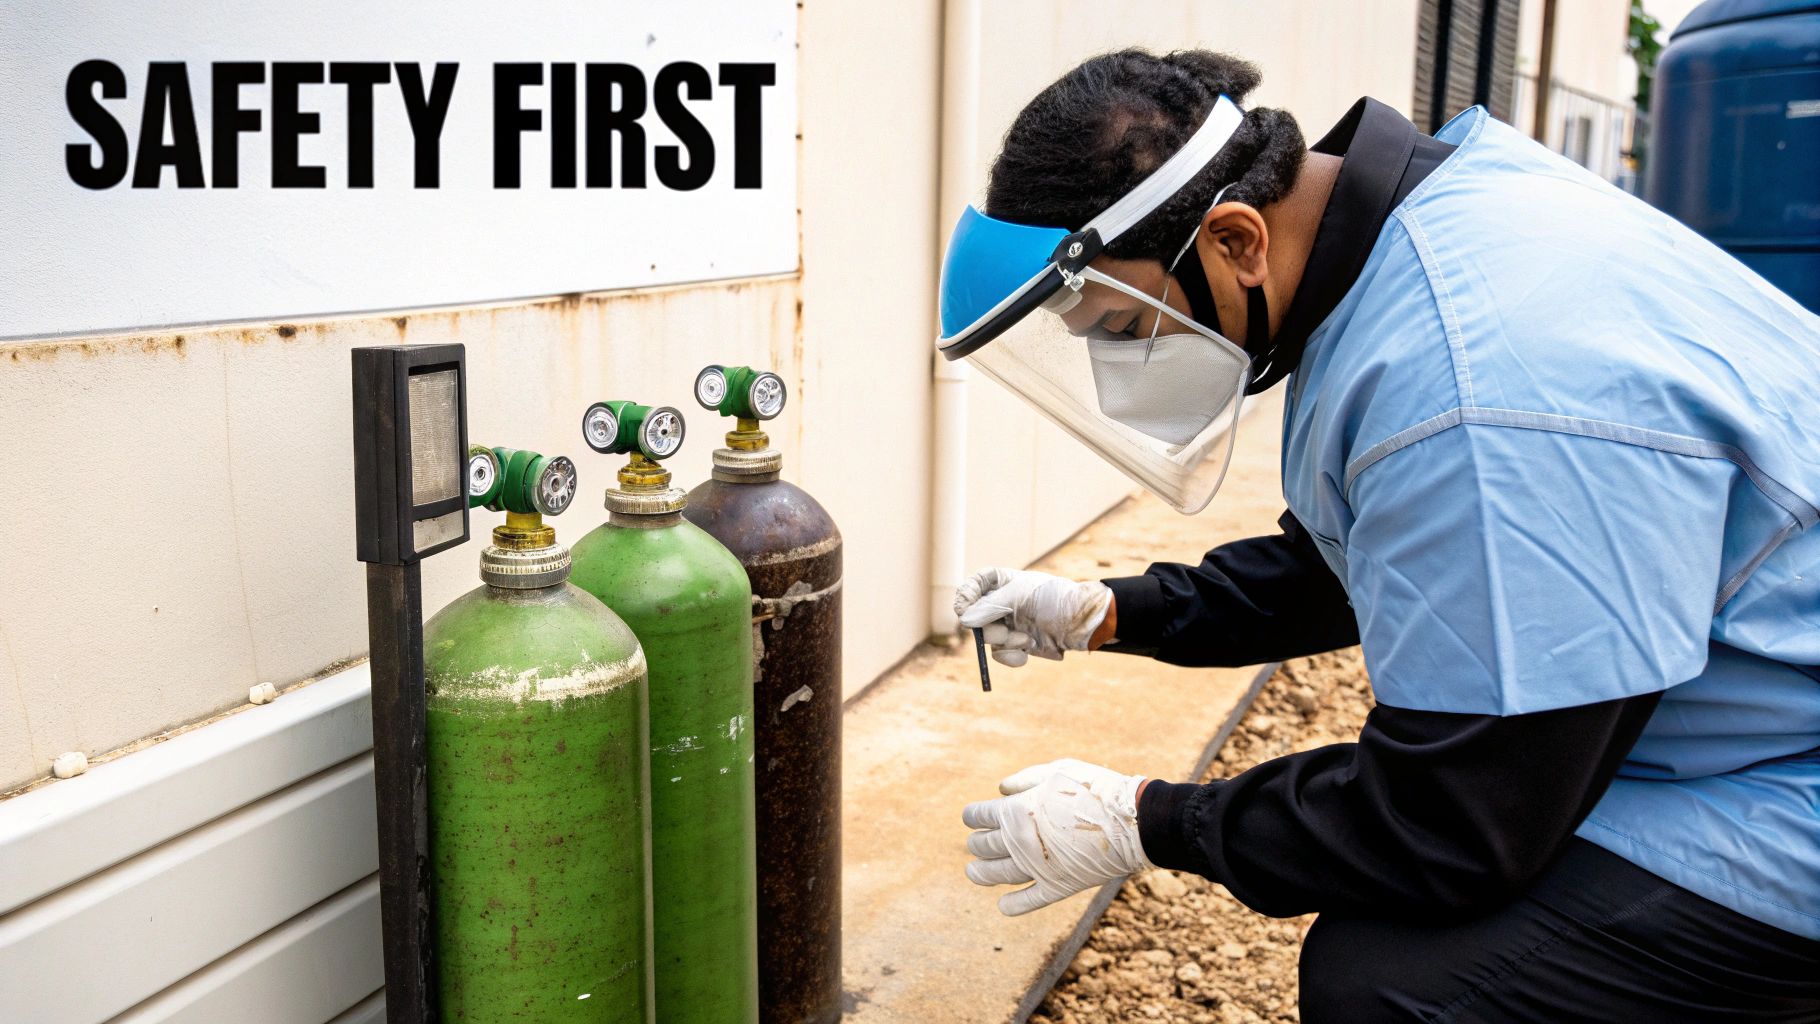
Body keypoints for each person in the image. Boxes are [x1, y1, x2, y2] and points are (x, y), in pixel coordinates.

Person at [940, 49, 1820, 1022]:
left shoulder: (1473, 387)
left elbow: (1451, 823)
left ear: (1234, 239)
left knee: (1391, 984)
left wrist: (1145, 820)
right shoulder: (1418, 237)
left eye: (1121, 327)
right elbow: (1345, 568)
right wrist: (1104, 611)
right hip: (1738, 712)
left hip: (1787, 783)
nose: (1118, 374)